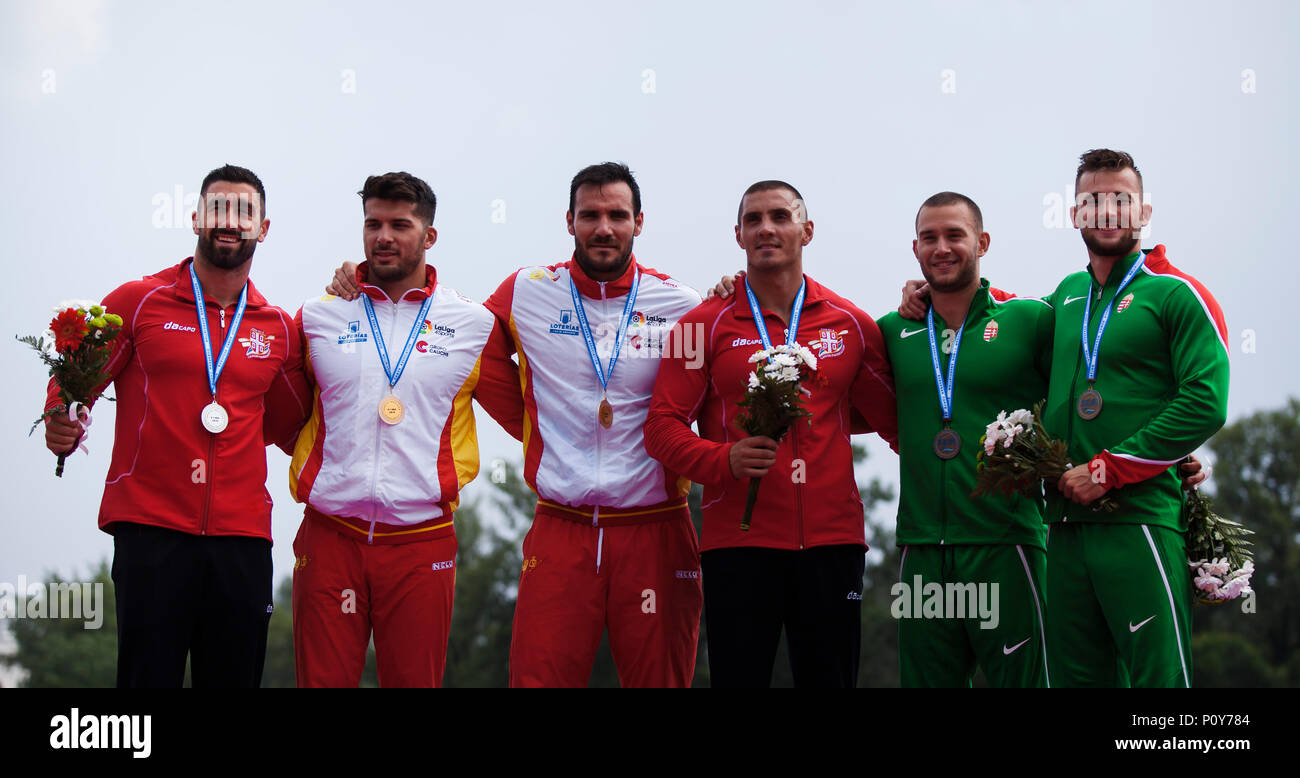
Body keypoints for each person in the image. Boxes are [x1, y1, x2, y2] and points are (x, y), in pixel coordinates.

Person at [329, 163, 705, 688]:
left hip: (656, 528)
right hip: (562, 526)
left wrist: (733, 289)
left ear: (639, 222)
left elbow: (714, 391)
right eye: (590, 215)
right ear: (568, 221)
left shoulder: (683, 306)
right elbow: (464, 342)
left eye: (617, 215)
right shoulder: (529, 291)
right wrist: (537, 429)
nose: (603, 227)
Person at [43, 164, 310, 688]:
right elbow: (76, 384)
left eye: (244, 211)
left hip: (242, 539)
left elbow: (289, 426)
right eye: (218, 208)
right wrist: (60, 417)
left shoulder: (277, 327)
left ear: (264, 227)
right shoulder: (138, 301)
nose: (229, 221)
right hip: (151, 530)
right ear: (195, 219)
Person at [643, 181, 898, 687]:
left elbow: (891, 418)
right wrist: (724, 460)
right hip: (737, 545)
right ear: (738, 235)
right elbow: (660, 428)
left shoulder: (850, 324)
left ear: (807, 230)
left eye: (780, 216)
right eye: (753, 219)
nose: (766, 228)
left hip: (831, 544)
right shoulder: (702, 326)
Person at [289, 172, 523, 687]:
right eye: (373, 224)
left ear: (429, 236)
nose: (384, 237)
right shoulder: (318, 318)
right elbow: (279, 411)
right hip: (331, 535)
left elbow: (533, 416)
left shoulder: (472, 325)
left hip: (422, 541)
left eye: (400, 224)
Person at [1042, 149, 1229, 687]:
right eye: (1092, 201)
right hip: (1064, 524)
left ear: (1143, 213)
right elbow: (1003, 331)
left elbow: (1205, 401)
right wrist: (929, 293)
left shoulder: (1176, 294)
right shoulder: (1066, 296)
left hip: (1138, 520)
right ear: (1074, 214)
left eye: (1120, 201)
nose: (1106, 212)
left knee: (1158, 682)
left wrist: (1107, 470)